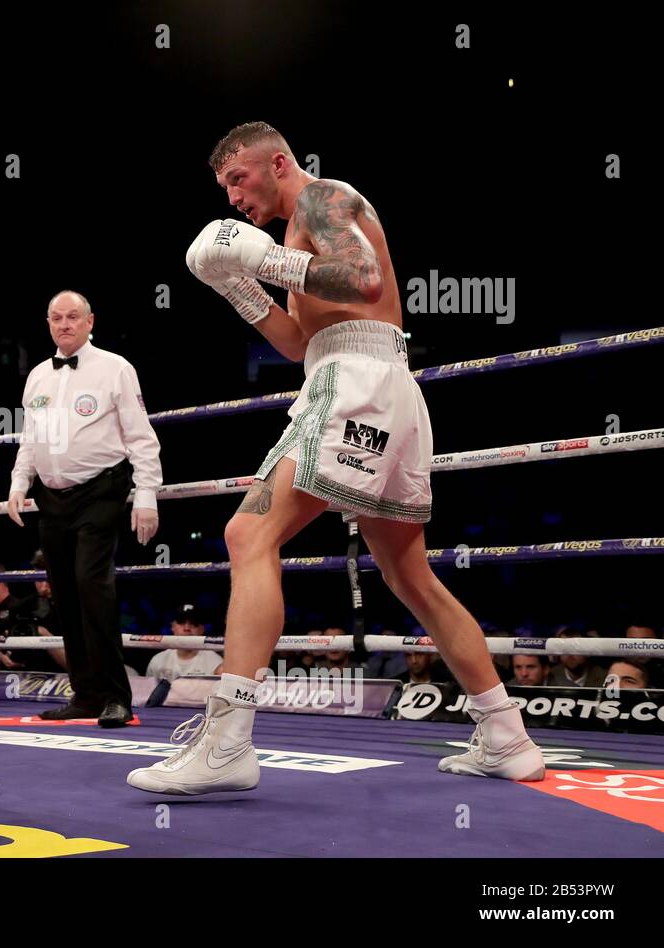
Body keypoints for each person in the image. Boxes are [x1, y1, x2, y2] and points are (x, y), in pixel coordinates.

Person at [128, 122, 544, 795]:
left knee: (246, 532)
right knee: (410, 577)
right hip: (375, 387)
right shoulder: (293, 235)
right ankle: (508, 736)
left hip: (354, 384)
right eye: (224, 187)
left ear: (279, 162)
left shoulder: (325, 199)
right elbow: (296, 342)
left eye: (239, 178)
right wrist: (237, 286)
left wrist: (262, 261)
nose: (233, 197)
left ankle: (229, 740)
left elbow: (363, 277)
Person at [7, 290, 163, 728]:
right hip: (51, 498)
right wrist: (20, 482)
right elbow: (30, 438)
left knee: (92, 587)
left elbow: (141, 436)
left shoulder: (116, 368)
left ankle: (117, 696)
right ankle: (87, 694)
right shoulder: (37, 375)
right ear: (48, 323)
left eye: (73, 316)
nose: (64, 324)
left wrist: (147, 493)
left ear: (90, 321)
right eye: (56, 318)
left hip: (102, 489)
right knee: (65, 593)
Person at [145, 605, 222, 681]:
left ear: (202, 629)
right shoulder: (158, 660)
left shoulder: (215, 662)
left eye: (193, 623)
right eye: (181, 622)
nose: (187, 628)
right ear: (172, 626)